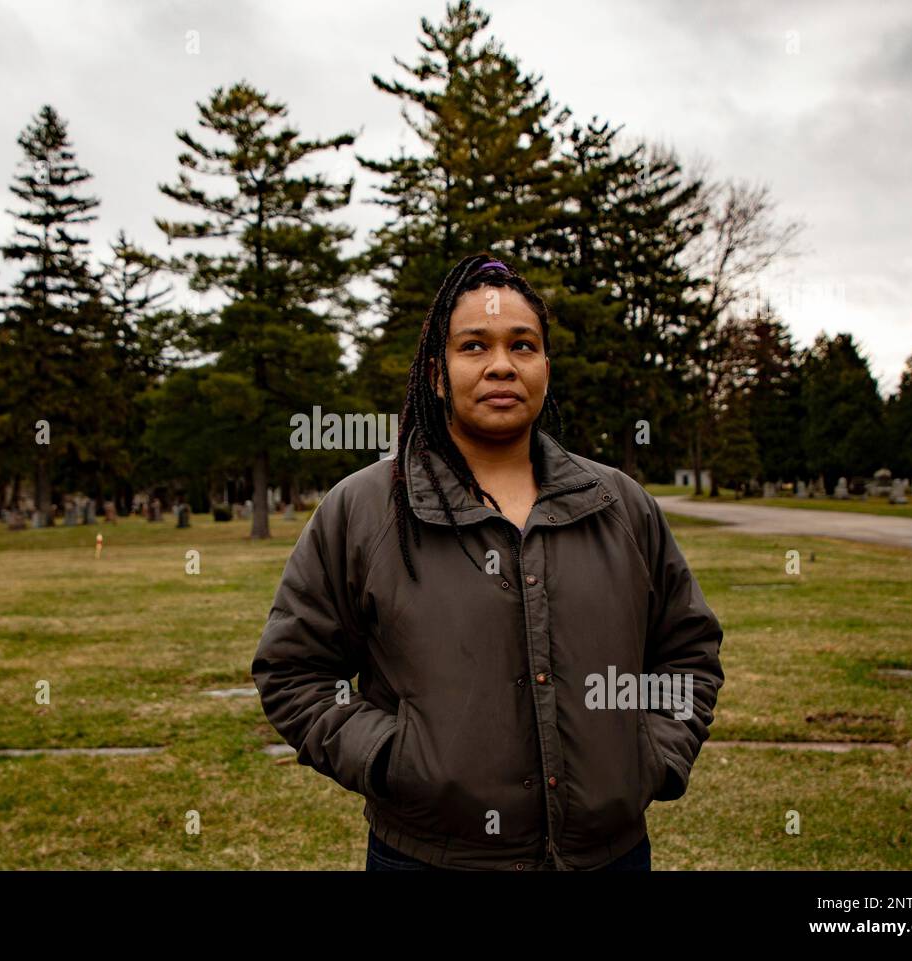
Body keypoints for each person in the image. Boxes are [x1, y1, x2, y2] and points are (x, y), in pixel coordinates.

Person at [251, 253, 724, 871]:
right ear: (438, 374)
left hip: (608, 856)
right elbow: (293, 672)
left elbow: (688, 651)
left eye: (523, 346)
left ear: (546, 367)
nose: (502, 364)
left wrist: (653, 752)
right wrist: (394, 760)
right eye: (474, 346)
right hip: (430, 858)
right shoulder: (364, 509)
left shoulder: (619, 504)